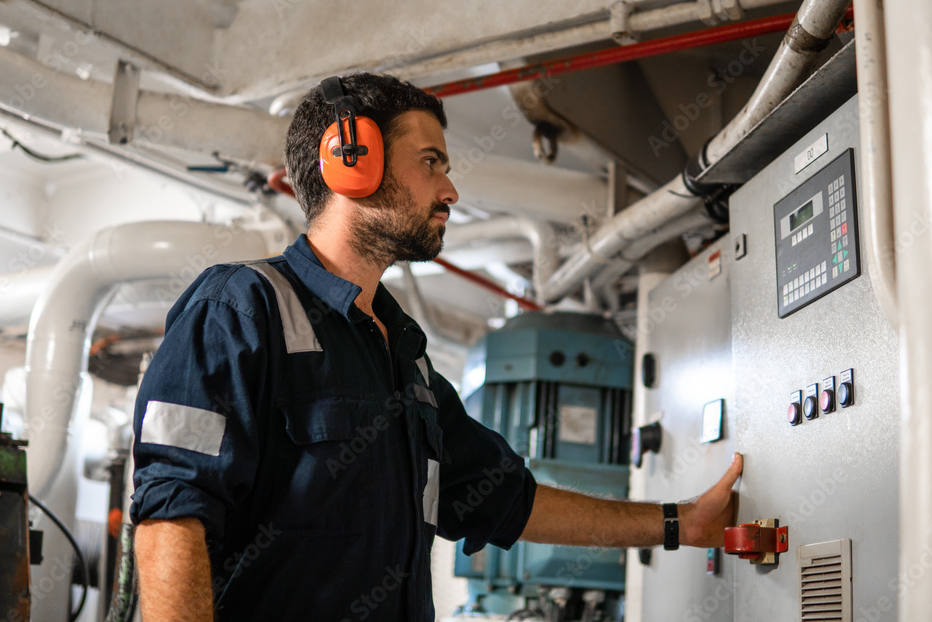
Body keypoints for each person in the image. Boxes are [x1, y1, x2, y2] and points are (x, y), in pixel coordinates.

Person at [130, 72, 743, 621]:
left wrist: (678, 523)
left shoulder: (405, 355)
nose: (450, 190)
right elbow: (171, 517)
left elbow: (506, 500)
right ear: (353, 160)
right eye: (431, 162)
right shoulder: (240, 308)